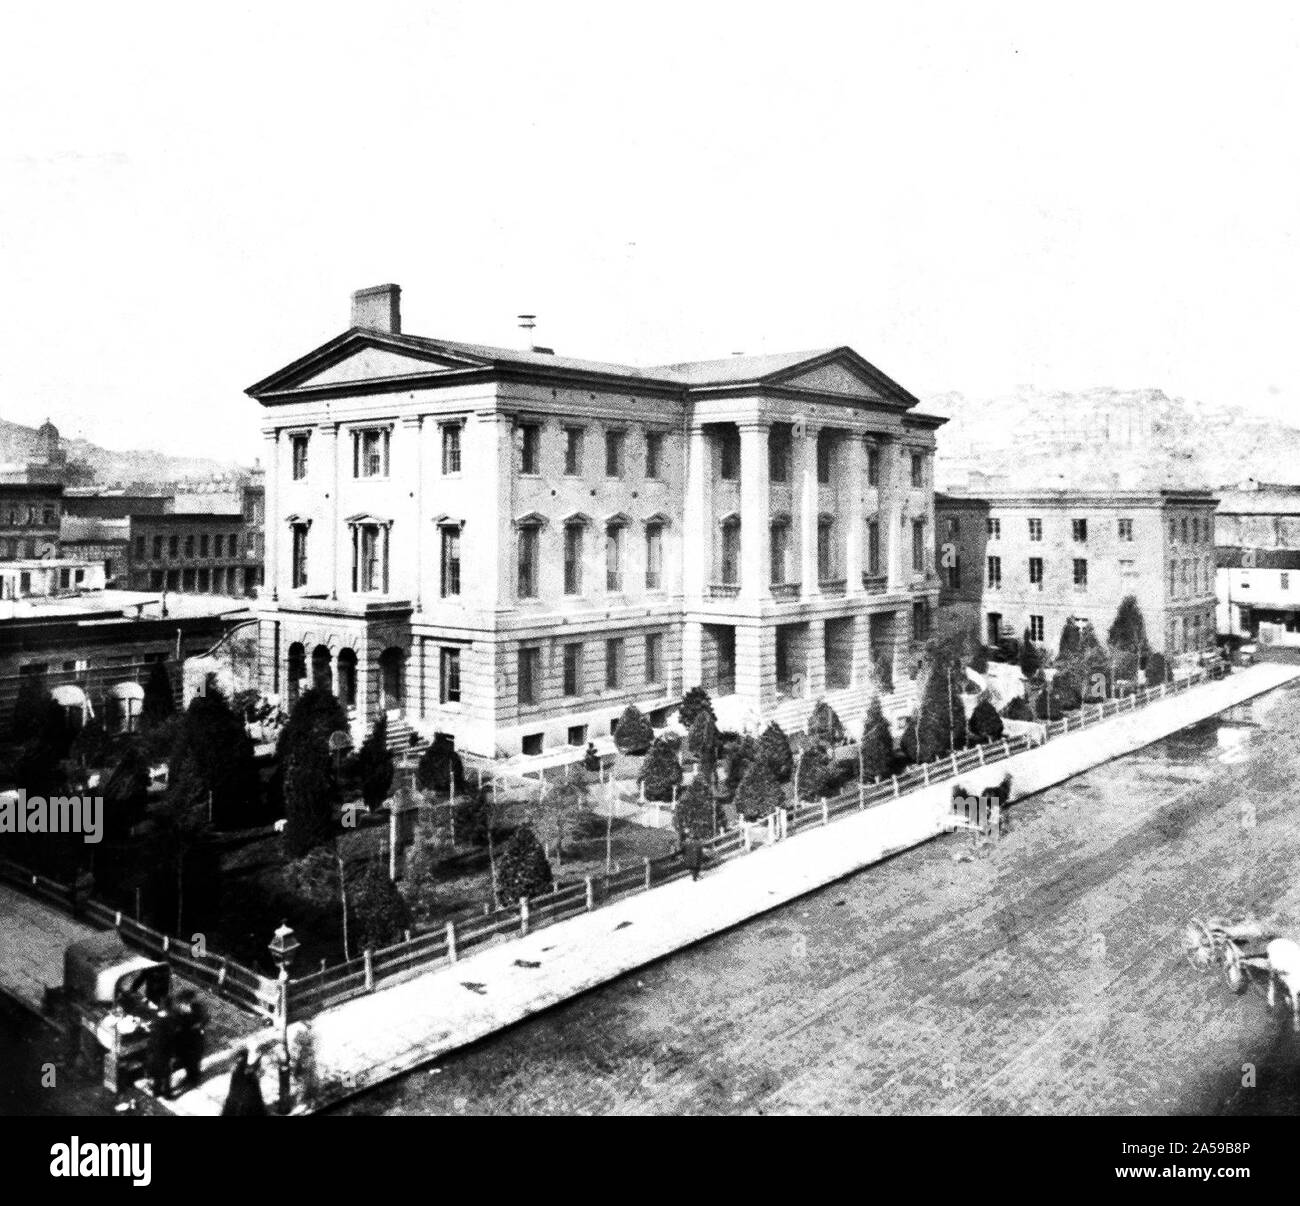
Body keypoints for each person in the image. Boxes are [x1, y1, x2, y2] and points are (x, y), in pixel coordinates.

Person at [172, 990, 208, 1090]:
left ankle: (194, 1079)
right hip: (184, 1038)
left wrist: (199, 1025)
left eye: (187, 1002)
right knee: (186, 1060)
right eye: (184, 1003)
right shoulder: (178, 1009)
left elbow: (205, 1018)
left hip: (195, 1039)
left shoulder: (198, 1008)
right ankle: (189, 1076)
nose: (186, 1005)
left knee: (194, 1061)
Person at [221, 1046, 268, 1116]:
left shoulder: (242, 1073)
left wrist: (259, 1059)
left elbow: (254, 1068)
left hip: (246, 1099)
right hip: (242, 1099)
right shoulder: (239, 1073)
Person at [145, 1003, 175, 1098]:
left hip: (155, 1052)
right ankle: (167, 1094)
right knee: (166, 1074)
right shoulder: (168, 1023)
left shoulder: (154, 1021)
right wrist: (172, 1055)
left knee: (157, 1073)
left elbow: (150, 1040)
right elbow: (170, 1041)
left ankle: (156, 1091)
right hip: (165, 1052)